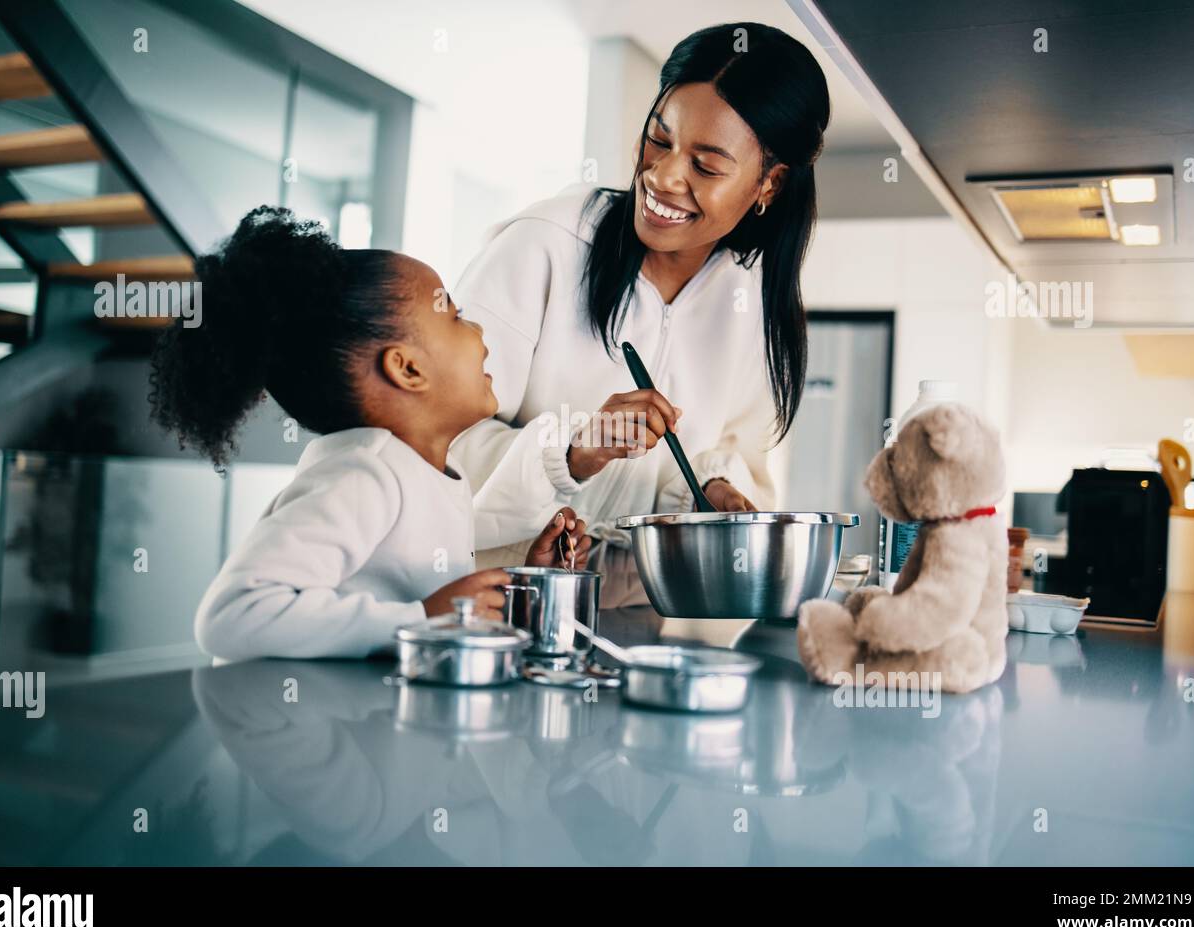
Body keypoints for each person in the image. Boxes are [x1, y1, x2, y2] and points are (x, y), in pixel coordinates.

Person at [451, 22, 830, 607]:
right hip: (501, 603)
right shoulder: (543, 245)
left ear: (770, 184)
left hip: (650, 611)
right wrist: (573, 452)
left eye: (705, 166)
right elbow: (436, 437)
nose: (662, 176)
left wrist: (715, 487)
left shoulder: (750, 301)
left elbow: (733, 450)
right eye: (659, 138)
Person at [149, 206, 591, 660]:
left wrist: (525, 576)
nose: (478, 329)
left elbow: (420, 585)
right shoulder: (363, 473)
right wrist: (421, 620)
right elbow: (232, 616)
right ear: (407, 368)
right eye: (455, 317)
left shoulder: (432, 471)